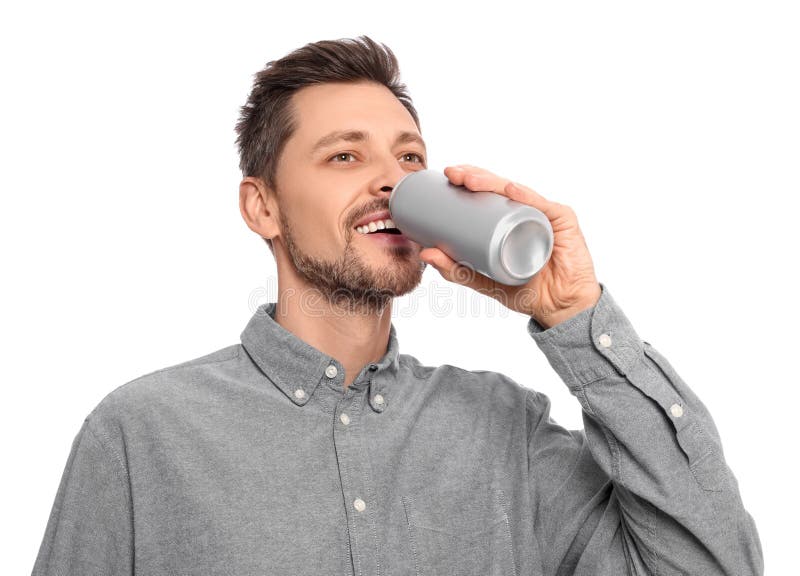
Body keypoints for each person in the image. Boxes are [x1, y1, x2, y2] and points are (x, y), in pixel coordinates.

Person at [32, 36, 763, 576]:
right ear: (263, 207)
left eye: (410, 158)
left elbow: (710, 565)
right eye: (346, 156)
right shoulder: (142, 433)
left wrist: (574, 313)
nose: (393, 182)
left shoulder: (505, 432)